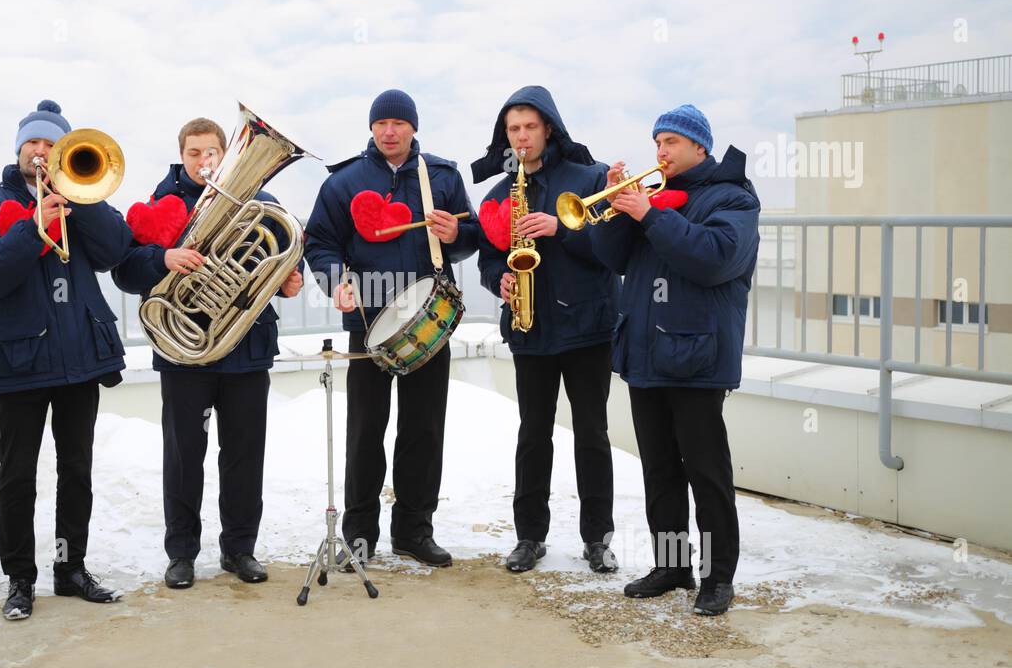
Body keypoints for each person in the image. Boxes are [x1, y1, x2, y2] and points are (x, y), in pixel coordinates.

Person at [0, 100, 134, 620]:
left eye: (51, 144)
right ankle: (20, 579)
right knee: (18, 475)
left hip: (80, 356)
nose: (41, 151)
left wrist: (83, 198)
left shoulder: (79, 196)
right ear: (19, 149)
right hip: (20, 362)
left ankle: (70, 568)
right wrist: (32, 227)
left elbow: (117, 249)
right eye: (33, 143)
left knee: (76, 470)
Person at [113, 117, 304, 590]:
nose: (204, 161)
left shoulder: (262, 200)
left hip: (246, 348)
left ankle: (240, 550)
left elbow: (280, 258)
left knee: (244, 454)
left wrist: (288, 283)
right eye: (195, 153)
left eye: (212, 152)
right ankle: (181, 555)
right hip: (185, 352)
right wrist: (162, 258)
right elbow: (124, 271)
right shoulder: (163, 204)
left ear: (227, 153)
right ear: (182, 156)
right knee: (183, 456)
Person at [588, 104, 759, 616]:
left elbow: (712, 258)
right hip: (645, 354)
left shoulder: (733, 198)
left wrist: (649, 214)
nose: (660, 152)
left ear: (700, 147)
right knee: (659, 471)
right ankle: (671, 566)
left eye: (672, 143)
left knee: (707, 473)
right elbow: (613, 259)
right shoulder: (655, 197)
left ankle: (717, 577)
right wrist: (617, 213)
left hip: (697, 357)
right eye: (657, 142)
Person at [304, 89, 478, 567]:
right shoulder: (344, 182)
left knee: (424, 429)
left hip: (428, 323)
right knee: (365, 432)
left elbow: (472, 236)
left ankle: (415, 532)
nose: (389, 131)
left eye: (399, 123)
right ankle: (358, 536)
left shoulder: (441, 176)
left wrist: (455, 235)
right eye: (381, 123)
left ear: (414, 128)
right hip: (367, 324)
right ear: (372, 127)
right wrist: (335, 279)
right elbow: (319, 241)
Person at [471, 86, 620, 574]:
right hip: (530, 328)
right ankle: (529, 536)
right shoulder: (499, 193)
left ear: (548, 128)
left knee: (591, 435)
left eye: (529, 127)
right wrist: (502, 280)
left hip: (588, 329)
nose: (521, 137)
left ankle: (598, 539)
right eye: (513, 129)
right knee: (533, 435)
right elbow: (488, 259)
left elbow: (612, 251)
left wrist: (562, 230)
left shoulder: (589, 178)